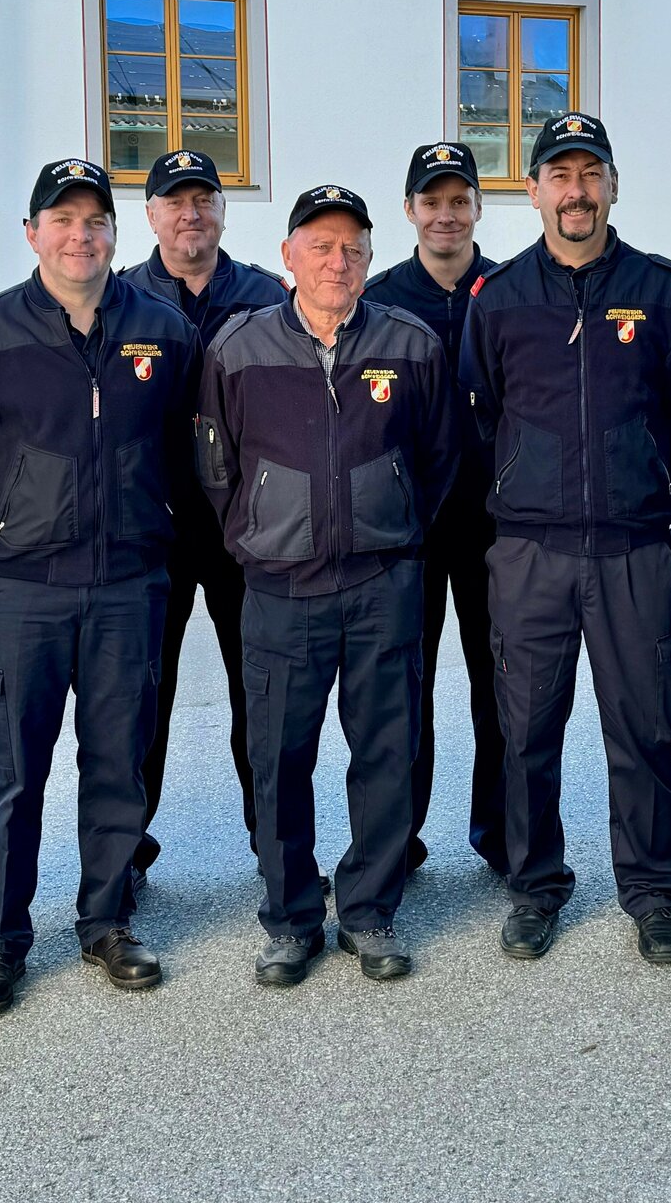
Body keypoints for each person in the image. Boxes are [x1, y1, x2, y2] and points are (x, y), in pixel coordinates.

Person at [0, 159, 200, 1016]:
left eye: (94, 221)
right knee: (10, 771)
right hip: (21, 589)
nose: (79, 236)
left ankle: (106, 921)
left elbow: (188, 451)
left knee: (117, 761)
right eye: (62, 220)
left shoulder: (161, 329)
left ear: (115, 234)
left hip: (129, 584)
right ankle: (4, 939)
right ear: (32, 234)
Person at [459, 112, 671, 965]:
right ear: (532, 190)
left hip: (635, 546)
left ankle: (651, 888)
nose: (576, 191)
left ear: (611, 183)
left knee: (642, 726)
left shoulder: (662, 288)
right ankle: (536, 885)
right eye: (559, 175)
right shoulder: (499, 299)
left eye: (589, 173)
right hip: (531, 551)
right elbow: (481, 410)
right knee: (528, 726)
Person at [198, 184, 456, 985]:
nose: (336, 261)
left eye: (351, 247)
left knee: (386, 748)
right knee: (280, 755)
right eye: (319, 245)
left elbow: (441, 457)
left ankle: (371, 910)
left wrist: (394, 519)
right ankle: (289, 917)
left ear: (370, 258)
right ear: (288, 257)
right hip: (279, 589)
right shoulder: (237, 350)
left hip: (382, 580)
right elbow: (216, 466)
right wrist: (262, 531)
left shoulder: (411, 344)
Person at [118, 149, 288, 878]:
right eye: (175, 201)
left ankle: (274, 840)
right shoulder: (119, 297)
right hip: (151, 529)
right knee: (139, 695)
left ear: (223, 209)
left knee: (262, 690)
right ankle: (126, 847)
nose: (191, 214)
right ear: (151, 214)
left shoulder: (265, 295)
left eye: (204, 199)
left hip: (244, 528)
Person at [362, 142, 505, 878]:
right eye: (431, 201)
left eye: (458, 200)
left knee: (500, 685)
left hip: (495, 529)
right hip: (406, 532)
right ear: (410, 210)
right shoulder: (380, 299)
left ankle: (503, 835)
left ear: (478, 206)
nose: (445, 214)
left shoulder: (512, 291)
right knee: (400, 691)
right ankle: (397, 840)